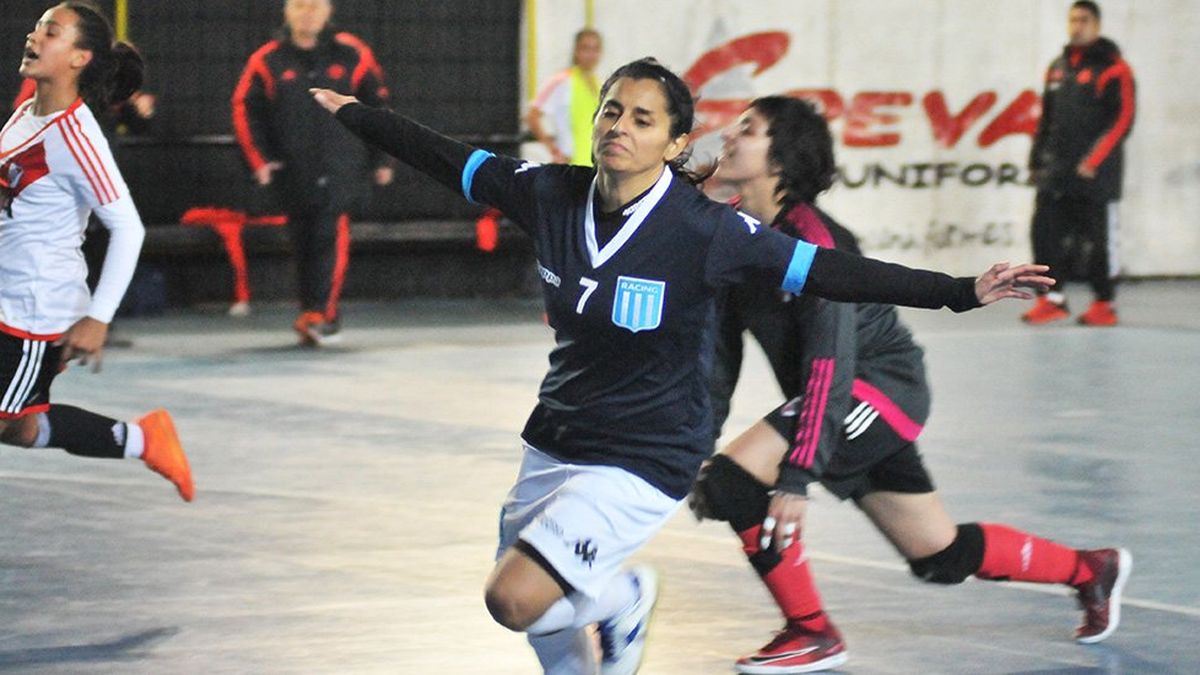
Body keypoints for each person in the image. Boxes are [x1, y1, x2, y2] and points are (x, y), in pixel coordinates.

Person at [310, 57, 1051, 675]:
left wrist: (959, 291)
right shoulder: (548, 194)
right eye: (611, 110)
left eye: (642, 118)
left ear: (675, 143)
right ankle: (607, 611)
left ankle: (624, 595)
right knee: (541, 631)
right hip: (556, 436)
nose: (618, 126)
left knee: (512, 596)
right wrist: (357, 116)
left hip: (646, 450)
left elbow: (835, 273)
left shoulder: (711, 232)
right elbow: (446, 158)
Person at [691, 96, 1130, 674]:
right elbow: (718, 358)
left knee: (733, 483)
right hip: (841, 400)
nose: (730, 136)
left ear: (781, 157)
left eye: (750, 129)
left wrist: (796, 474)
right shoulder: (736, 238)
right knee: (938, 555)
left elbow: (830, 362)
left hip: (875, 388)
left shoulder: (814, 239)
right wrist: (692, 441)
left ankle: (812, 632)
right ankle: (1089, 569)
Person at [1, 2, 193, 501]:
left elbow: (128, 228)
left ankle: (145, 439)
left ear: (80, 58)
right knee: (18, 427)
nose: (35, 36)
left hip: (33, 312)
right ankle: (144, 439)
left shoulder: (76, 136)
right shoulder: (26, 115)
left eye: (51, 31)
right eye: (38, 27)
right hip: (6, 294)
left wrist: (99, 317)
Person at [232, 0, 393, 343]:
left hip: (342, 167)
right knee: (302, 241)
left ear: (328, 11)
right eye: (300, 5)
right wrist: (258, 160)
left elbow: (378, 107)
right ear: (287, 11)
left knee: (328, 235)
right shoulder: (266, 59)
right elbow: (246, 110)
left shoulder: (353, 53)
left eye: (315, 5)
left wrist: (383, 159)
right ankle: (310, 310)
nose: (308, 12)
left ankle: (323, 312)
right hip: (293, 171)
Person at [1023, 0, 1135, 327]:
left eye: (1084, 20)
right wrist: (1036, 158)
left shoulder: (1115, 68)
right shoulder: (1058, 66)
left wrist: (1094, 160)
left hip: (1096, 176)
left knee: (1098, 242)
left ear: (1097, 25)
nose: (1077, 26)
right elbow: (1047, 118)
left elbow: (1123, 119)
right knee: (1044, 233)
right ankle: (1052, 299)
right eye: (1073, 20)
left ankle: (1104, 303)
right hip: (1056, 173)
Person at [525, 28, 603, 166]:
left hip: (594, 164)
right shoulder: (562, 81)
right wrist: (553, 149)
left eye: (595, 49)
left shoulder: (599, 84)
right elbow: (532, 115)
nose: (591, 55)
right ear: (576, 51)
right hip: (570, 165)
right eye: (586, 48)